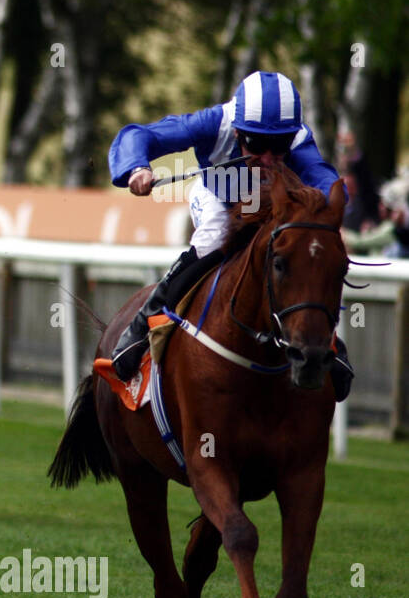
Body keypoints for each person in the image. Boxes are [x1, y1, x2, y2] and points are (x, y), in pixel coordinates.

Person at [107, 70, 353, 400]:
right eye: (255, 144)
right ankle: (142, 325)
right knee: (213, 235)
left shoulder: (297, 136)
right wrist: (136, 166)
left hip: (271, 205)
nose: (267, 158)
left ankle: (330, 345)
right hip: (219, 198)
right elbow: (139, 135)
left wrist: (326, 207)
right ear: (237, 131)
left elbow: (324, 178)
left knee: (306, 255)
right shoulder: (213, 123)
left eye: (278, 146)